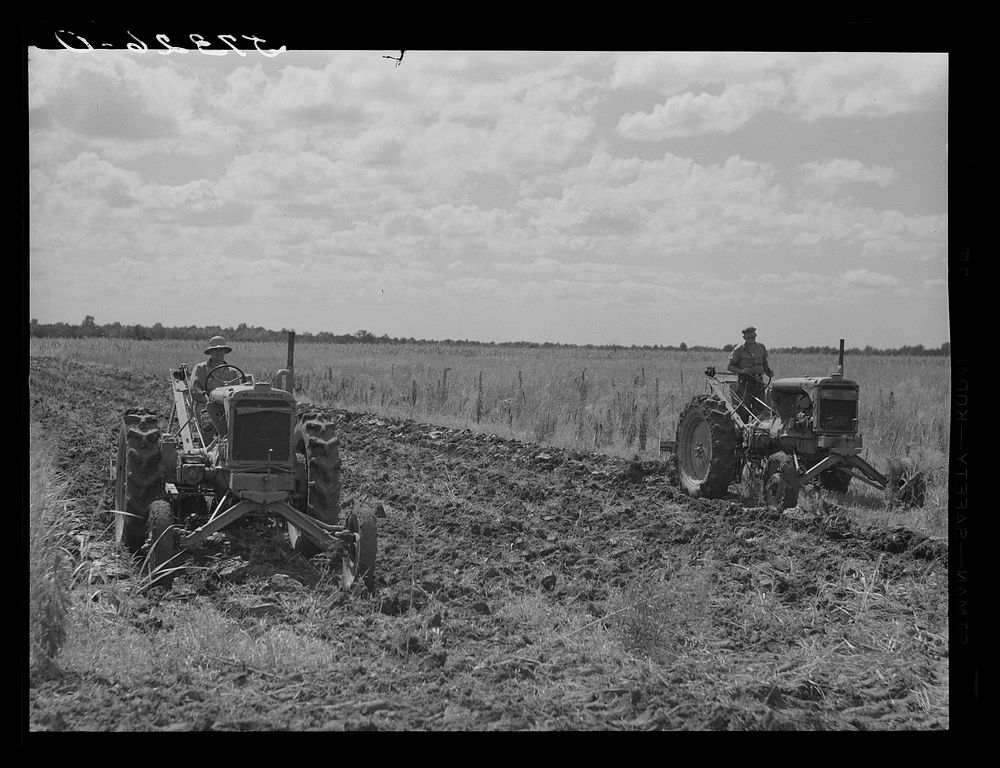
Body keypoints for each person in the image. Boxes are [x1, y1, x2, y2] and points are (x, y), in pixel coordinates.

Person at [191, 336, 240, 439]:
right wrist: (207, 399)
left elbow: (238, 391)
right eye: (216, 350)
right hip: (207, 404)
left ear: (225, 352)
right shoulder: (201, 368)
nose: (219, 352)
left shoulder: (233, 372)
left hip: (229, 406)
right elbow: (195, 388)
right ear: (211, 352)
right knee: (208, 423)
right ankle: (207, 449)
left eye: (221, 350)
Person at [727, 326, 773, 420]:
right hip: (745, 382)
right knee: (744, 409)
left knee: (761, 409)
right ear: (744, 337)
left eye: (752, 337)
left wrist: (768, 372)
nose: (751, 340)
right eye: (748, 338)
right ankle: (743, 430)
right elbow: (730, 367)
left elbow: (764, 362)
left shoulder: (761, 347)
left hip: (759, 381)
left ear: (755, 336)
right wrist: (742, 371)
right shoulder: (738, 350)